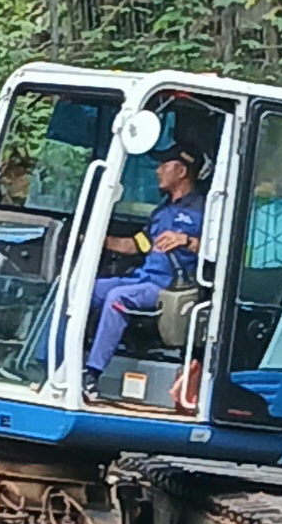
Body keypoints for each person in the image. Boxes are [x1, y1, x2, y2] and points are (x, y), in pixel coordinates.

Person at [84, 143, 206, 399]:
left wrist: (186, 240)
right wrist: (97, 239)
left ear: (181, 170)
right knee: (78, 289)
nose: (157, 171)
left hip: (170, 287)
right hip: (142, 279)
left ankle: (90, 376)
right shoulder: (161, 212)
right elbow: (137, 244)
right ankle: (44, 362)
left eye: (164, 165)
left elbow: (218, 250)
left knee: (118, 297)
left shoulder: (205, 210)